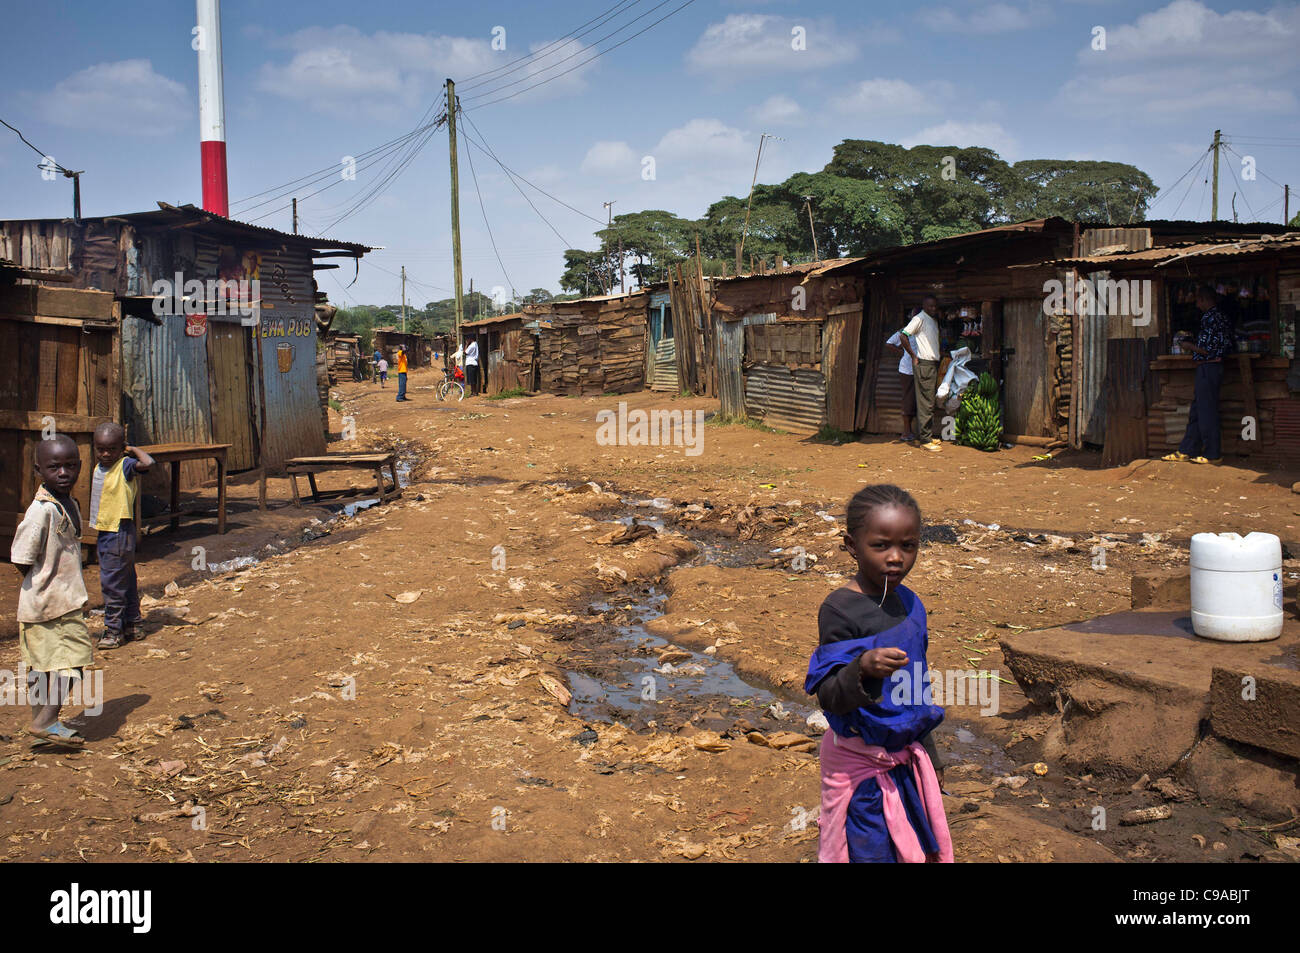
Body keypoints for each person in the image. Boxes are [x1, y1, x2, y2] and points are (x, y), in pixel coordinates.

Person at [805, 484, 952, 863]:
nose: (896, 558)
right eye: (881, 545)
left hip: (906, 757)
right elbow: (829, 695)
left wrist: (930, 763)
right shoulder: (840, 610)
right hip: (862, 768)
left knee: (912, 846)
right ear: (852, 545)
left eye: (908, 546)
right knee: (868, 850)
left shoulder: (911, 604)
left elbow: (915, 692)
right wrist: (862, 669)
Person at [10, 436, 94, 749]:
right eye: (54, 467)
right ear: (38, 470)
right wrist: (46, 584)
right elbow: (20, 557)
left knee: (43, 665)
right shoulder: (40, 511)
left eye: (70, 465)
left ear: (80, 467)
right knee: (74, 660)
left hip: (58, 600)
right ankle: (45, 721)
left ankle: (42, 726)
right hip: (50, 603)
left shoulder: (69, 503)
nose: (63, 472)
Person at [89, 422, 153, 649]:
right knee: (125, 579)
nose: (106, 454)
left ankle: (113, 631)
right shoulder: (99, 467)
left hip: (118, 531)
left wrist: (132, 450)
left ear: (121, 448)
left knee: (112, 583)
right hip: (107, 530)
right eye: (101, 449)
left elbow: (148, 462)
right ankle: (133, 624)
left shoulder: (124, 465)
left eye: (112, 449)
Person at [1165, 285, 1233, 465]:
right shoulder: (1220, 317)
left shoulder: (1210, 318)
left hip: (1209, 366)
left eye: (1197, 300)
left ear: (1203, 300)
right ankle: (1187, 450)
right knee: (1197, 410)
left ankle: (1213, 454)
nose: (1196, 304)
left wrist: (1188, 346)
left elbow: (1206, 349)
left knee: (1207, 411)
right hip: (1209, 367)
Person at [899, 295, 942, 451]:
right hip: (924, 364)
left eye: (935, 306)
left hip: (931, 364)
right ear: (924, 306)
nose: (933, 308)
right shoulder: (919, 319)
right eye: (930, 306)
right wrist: (913, 355)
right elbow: (903, 335)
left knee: (929, 402)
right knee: (925, 402)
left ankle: (927, 436)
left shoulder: (932, 320)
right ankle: (925, 441)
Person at [886, 325, 916, 443]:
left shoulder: (923, 331)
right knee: (908, 399)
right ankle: (906, 432)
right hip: (907, 370)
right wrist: (902, 353)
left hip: (917, 369)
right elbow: (889, 343)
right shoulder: (905, 331)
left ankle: (910, 431)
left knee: (913, 399)